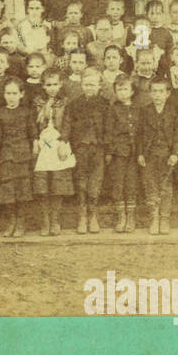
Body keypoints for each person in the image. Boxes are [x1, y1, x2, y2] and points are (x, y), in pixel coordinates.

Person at [0, 78, 38, 238]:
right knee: (8, 191)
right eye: (8, 93)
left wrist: (35, 145)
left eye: (14, 93)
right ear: (3, 95)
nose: (11, 97)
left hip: (23, 156)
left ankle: (21, 222)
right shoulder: (0, 114)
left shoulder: (27, 112)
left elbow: (33, 133)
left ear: (21, 94)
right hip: (6, 157)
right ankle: (11, 221)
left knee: (22, 190)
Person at [32, 67, 74, 235]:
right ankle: (45, 220)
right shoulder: (37, 102)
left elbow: (68, 124)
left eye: (55, 84)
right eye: (48, 84)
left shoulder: (65, 102)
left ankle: (55, 220)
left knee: (58, 182)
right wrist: (35, 140)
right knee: (42, 182)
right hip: (42, 142)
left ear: (61, 84)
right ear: (43, 86)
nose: (52, 88)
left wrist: (64, 142)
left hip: (58, 143)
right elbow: (31, 123)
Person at [137, 79, 178, 235]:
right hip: (149, 155)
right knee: (151, 186)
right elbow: (140, 134)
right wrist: (140, 153)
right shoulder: (145, 111)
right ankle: (154, 218)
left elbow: (177, 135)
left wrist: (175, 153)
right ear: (150, 93)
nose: (157, 95)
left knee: (165, 187)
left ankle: (164, 218)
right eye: (154, 91)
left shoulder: (173, 111)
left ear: (168, 93)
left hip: (166, 155)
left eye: (161, 91)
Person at [68, 67, 108, 234]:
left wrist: (108, 150)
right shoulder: (75, 104)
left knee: (95, 182)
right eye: (86, 84)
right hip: (81, 148)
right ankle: (82, 215)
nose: (89, 88)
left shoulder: (105, 104)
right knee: (81, 181)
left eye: (92, 84)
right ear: (81, 85)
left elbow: (109, 128)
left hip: (98, 148)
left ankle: (93, 214)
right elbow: (70, 126)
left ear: (99, 86)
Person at [104, 75, 138, 233]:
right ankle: (121, 216)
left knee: (132, 182)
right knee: (118, 183)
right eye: (119, 90)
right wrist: (110, 151)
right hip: (118, 152)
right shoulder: (113, 109)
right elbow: (109, 131)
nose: (122, 93)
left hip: (134, 153)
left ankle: (130, 216)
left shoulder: (138, 109)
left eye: (125, 89)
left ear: (132, 91)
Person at [16, 0, 53, 65]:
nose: (34, 12)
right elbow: (19, 45)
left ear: (43, 9)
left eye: (37, 8)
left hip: (44, 59)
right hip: (27, 59)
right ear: (27, 9)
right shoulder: (21, 26)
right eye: (31, 8)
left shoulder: (48, 25)